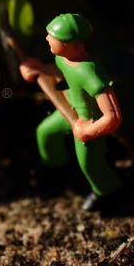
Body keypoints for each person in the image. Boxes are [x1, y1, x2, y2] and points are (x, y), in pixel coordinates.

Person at [19, 13, 123, 211]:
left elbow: (113, 116)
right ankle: (55, 165)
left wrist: (88, 130)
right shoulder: (62, 57)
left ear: (70, 44)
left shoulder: (89, 72)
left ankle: (108, 190)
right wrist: (39, 68)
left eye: (53, 37)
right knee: (45, 132)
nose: (47, 38)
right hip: (71, 112)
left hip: (89, 122)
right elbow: (61, 72)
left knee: (90, 165)